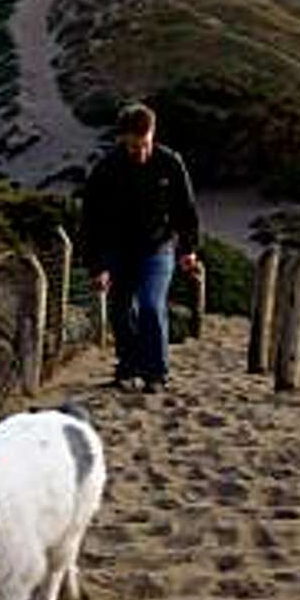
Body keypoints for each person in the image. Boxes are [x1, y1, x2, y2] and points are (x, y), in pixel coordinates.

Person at [78, 102, 201, 393]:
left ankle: (156, 373)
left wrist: (189, 249)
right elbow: (89, 220)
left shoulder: (171, 162)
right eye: (133, 146)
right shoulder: (105, 169)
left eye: (144, 144)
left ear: (152, 134)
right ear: (122, 139)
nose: (140, 152)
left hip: (158, 248)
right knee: (121, 310)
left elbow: (186, 210)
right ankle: (128, 366)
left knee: (149, 304)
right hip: (117, 249)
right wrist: (97, 266)